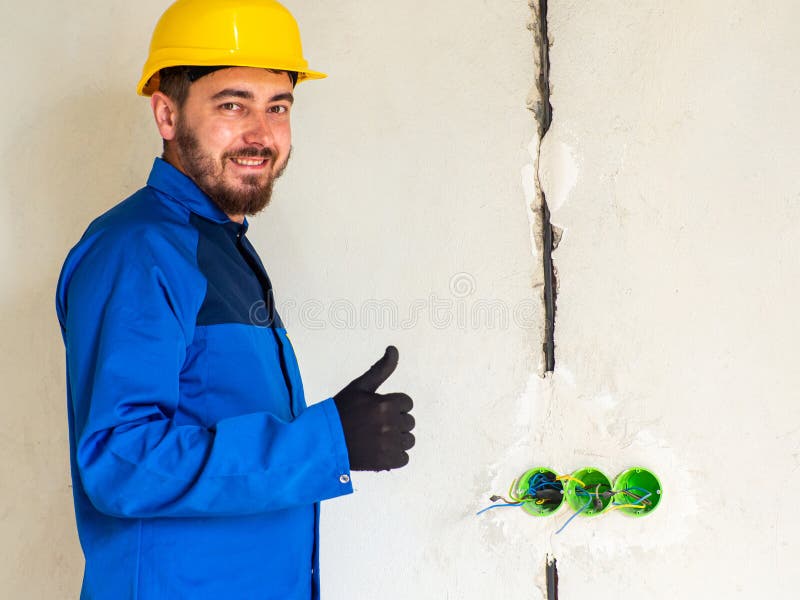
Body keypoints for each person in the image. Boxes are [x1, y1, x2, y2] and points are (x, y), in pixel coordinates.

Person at [54, 1, 415, 598]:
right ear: (166, 115)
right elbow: (120, 463)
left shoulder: (217, 246)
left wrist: (327, 439)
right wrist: (325, 442)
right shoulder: (139, 250)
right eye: (232, 105)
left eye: (278, 107)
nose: (261, 133)